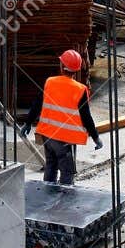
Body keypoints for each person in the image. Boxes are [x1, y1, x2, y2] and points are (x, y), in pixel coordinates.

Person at [22, 49, 103, 186]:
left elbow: (37, 104)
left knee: (51, 167)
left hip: (48, 136)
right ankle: (64, 202)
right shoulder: (80, 89)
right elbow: (86, 117)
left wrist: (28, 123)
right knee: (67, 173)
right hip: (66, 140)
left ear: (61, 65)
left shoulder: (49, 82)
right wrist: (96, 137)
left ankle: (46, 197)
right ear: (76, 70)